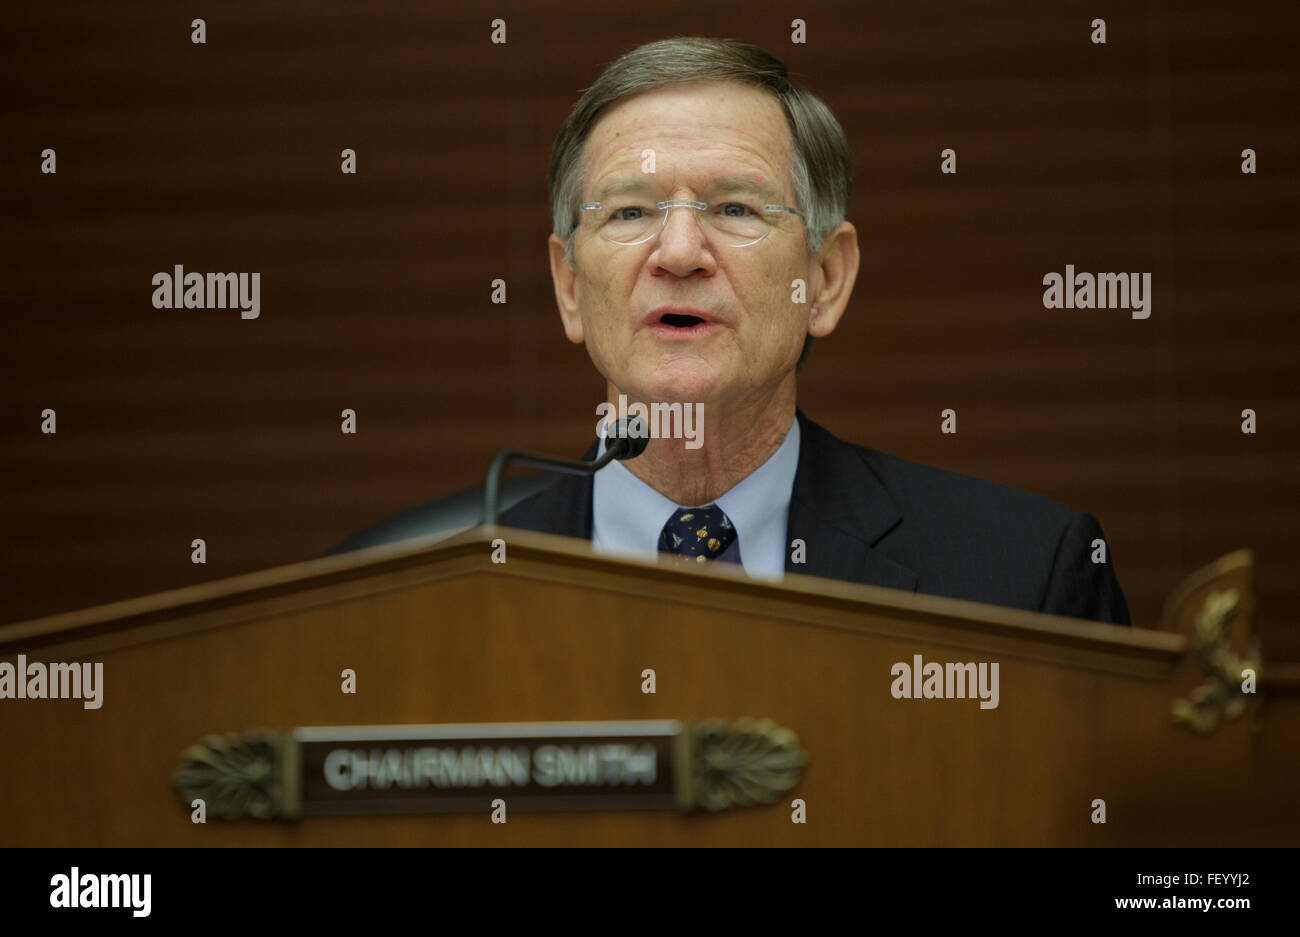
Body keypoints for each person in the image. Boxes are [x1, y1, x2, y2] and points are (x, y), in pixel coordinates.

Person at [342, 37, 1131, 626]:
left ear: (825, 278)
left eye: (735, 208)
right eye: (629, 212)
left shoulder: (1024, 579)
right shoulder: (426, 609)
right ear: (570, 287)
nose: (680, 252)